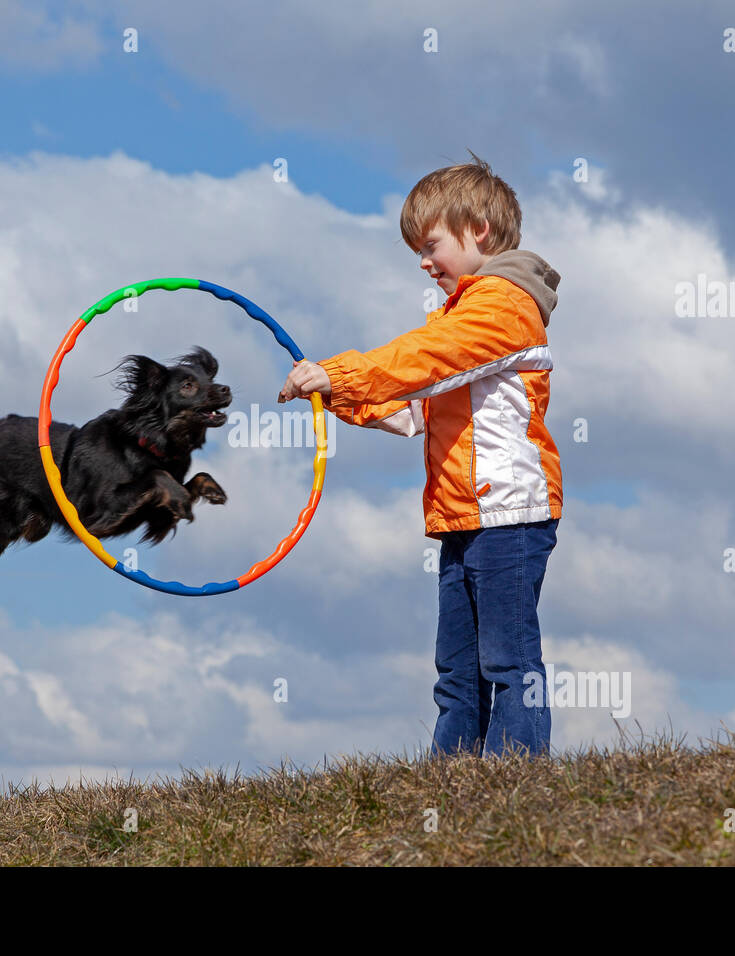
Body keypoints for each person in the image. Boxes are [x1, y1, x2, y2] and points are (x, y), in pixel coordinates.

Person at [277, 151, 563, 760]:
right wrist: (337, 395)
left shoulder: (502, 307)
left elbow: (424, 359)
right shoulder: (462, 316)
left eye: (431, 246)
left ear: (478, 231)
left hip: (508, 514)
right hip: (461, 515)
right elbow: (415, 408)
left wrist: (340, 374)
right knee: (457, 668)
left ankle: (522, 779)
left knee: (508, 659)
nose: (425, 264)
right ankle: (451, 782)